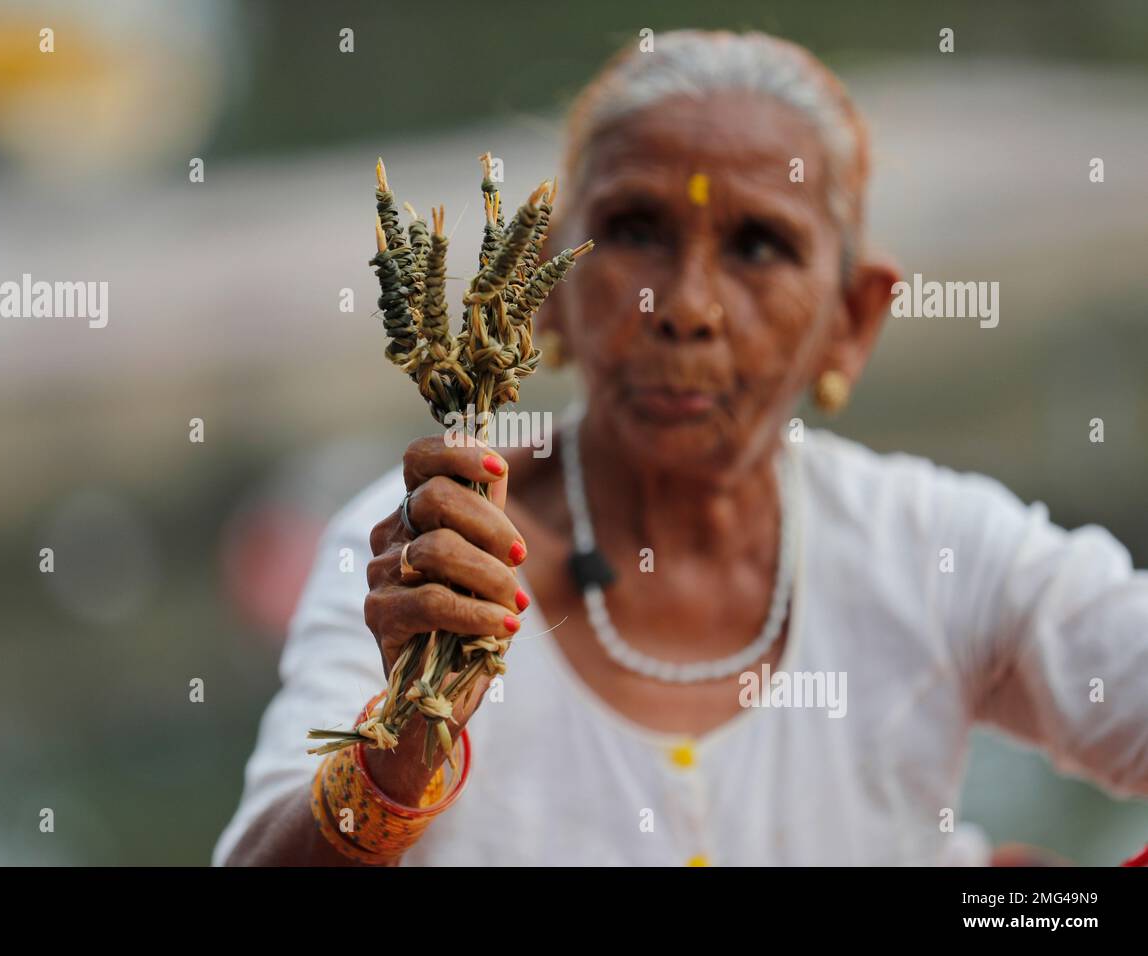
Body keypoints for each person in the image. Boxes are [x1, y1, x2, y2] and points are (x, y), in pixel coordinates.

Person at [215, 29, 1148, 866]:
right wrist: (401, 746)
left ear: (852, 321)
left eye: (758, 246)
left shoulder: (940, 553)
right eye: (634, 233)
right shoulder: (420, 555)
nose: (688, 308)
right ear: (545, 294)